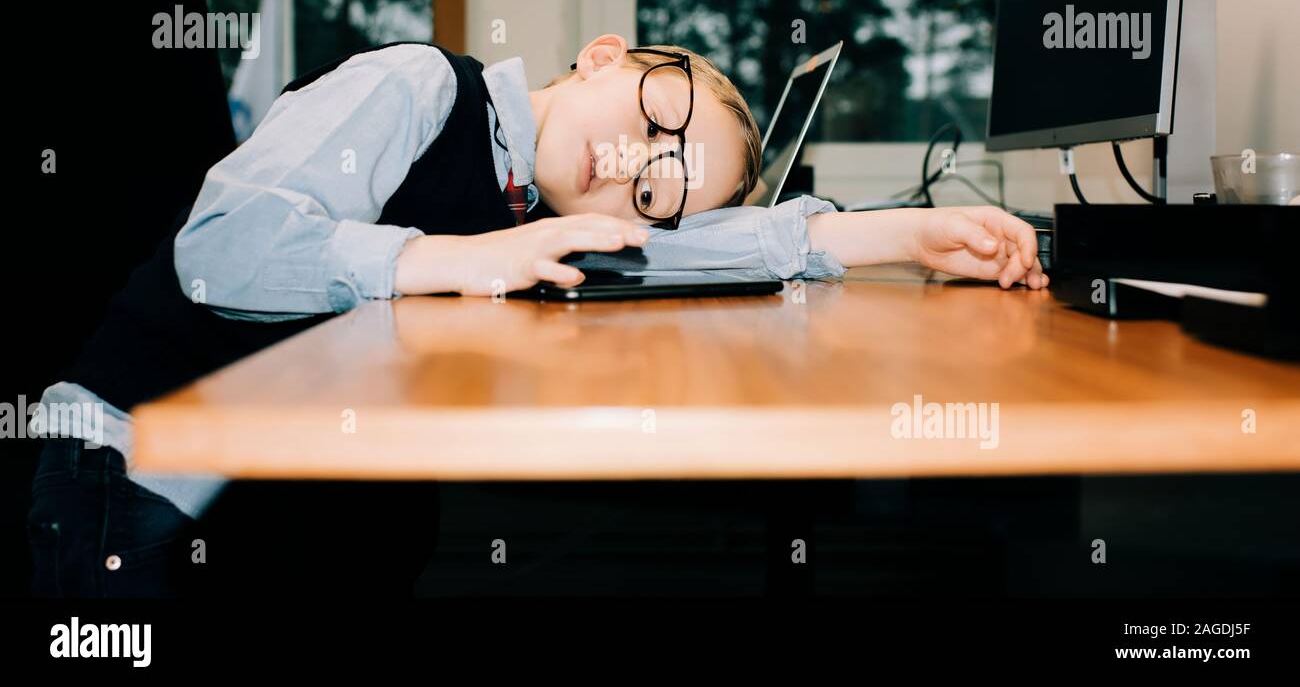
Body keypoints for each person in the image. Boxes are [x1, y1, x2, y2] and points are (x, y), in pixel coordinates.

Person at [28, 32, 1044, 596]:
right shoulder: (415, 86)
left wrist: (895, 236)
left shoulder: (543, 213)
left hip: (290, 499)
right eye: (656, 122)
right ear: (603, 56)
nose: (634, 167)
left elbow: (672, 251)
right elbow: (223, 249)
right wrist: (457, 260)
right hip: (130, 471)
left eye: (658, 186)